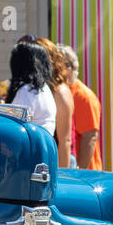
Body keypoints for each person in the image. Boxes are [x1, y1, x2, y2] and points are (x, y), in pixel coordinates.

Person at [60, 44, 104, 170]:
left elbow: (90, 138)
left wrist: (79, 172)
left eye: (60, 65)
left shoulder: (83, 96)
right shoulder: (65, 92)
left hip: (85, 173)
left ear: (72, 68)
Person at [3, 39, 57, 137]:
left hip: (31, 144)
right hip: (43, 142)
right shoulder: (43, 88)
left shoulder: (26, 90)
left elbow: (14, 127)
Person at [36, 38, 75, 167]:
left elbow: (65, 141)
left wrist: (63, 174)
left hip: (60, 160)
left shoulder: (60, 91)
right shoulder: (38, 89)